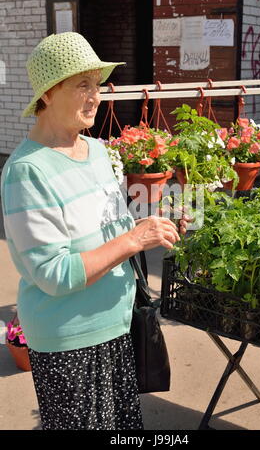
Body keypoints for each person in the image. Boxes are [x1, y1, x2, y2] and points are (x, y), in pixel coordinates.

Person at [1, 32, 189, 430]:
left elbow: (111, 232)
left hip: (117, 328)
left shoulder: (98, 151)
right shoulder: (26, 172)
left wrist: (151, 227)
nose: (96, 96)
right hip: (70, 342)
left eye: (98, 85)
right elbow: (55, 273)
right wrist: (134, 238)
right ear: (48, 94)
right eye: (82, 84)